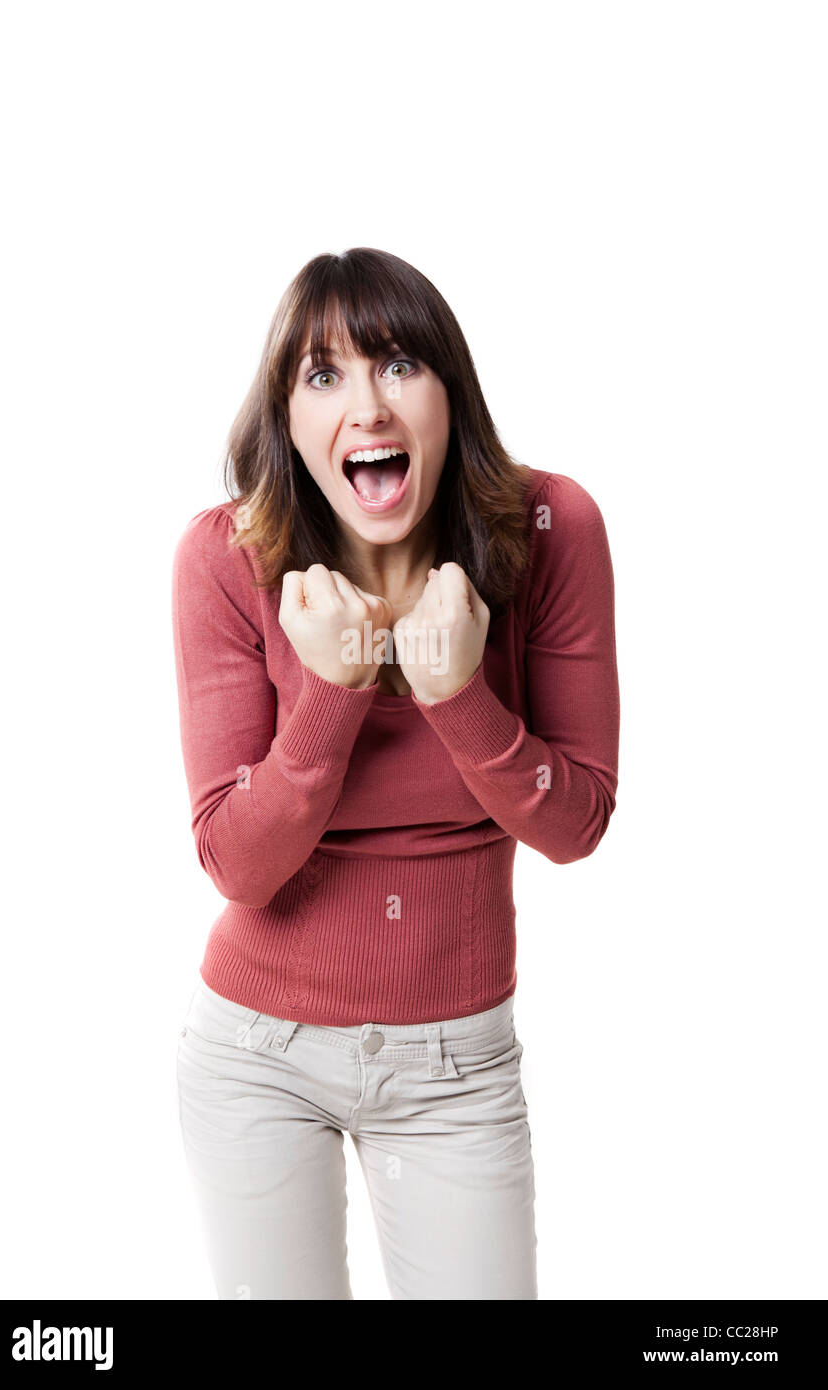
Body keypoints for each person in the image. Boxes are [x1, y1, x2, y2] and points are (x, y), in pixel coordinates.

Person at [171, 246, 620, 1300]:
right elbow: (233, 861)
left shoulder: (551, 532)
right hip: (255, 1055)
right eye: (322, 375)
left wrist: (456, 693)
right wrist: (328, 694)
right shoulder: (225, 557)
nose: (366, 405)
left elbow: (578, 822)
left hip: (455, 1069)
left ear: (449, 394)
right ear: (286, 423)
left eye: (397, 364)